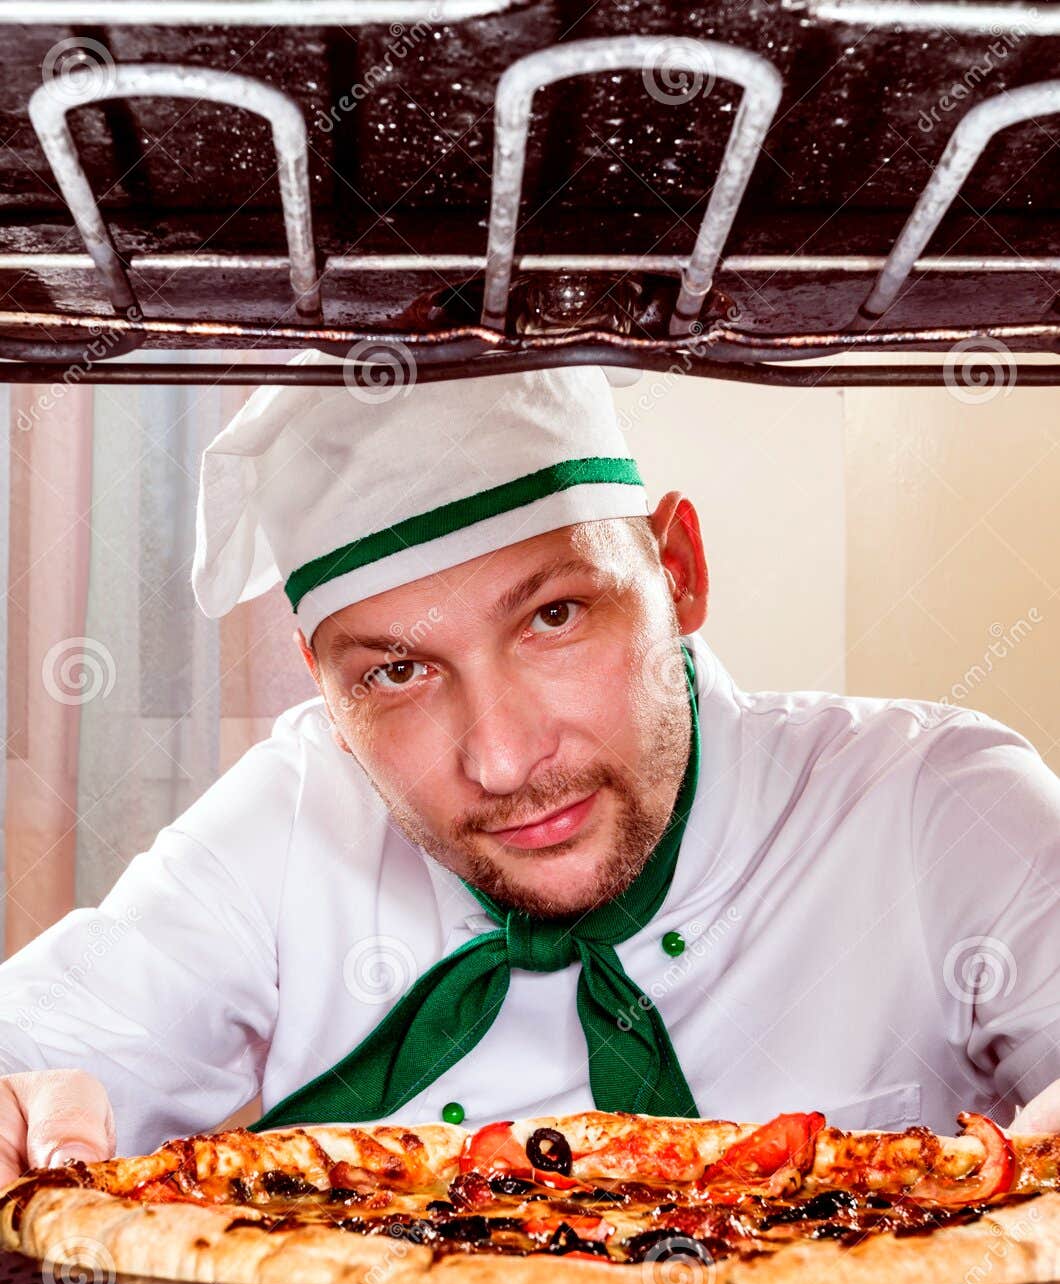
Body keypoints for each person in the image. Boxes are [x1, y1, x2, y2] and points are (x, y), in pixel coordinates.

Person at [0, 356, 1058, 1186]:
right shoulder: (287, 825)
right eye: (399, 672)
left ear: (676, 572)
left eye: (555, 617)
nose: (502, 759)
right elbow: (40, 1058)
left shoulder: (934, 803)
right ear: (325, 690)